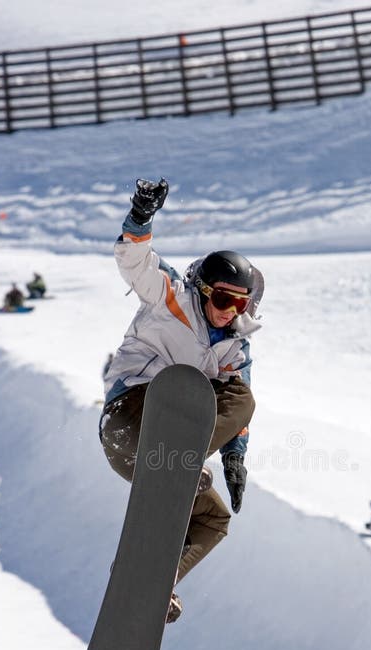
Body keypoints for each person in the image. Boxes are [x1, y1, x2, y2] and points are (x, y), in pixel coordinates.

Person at [100, 178, 263, 623]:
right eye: (224, 299)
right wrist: (140, 216)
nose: (230, 311)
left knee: (214, 519)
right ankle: (182, 462)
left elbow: (237, 407)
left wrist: (234, 458)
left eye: (240, 305)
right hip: (131, 416)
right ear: (206, 290)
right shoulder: (170, 295)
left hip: (151, 459)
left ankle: (154, 579)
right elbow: (135, 262)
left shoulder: (234, 348)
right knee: (215, 391)